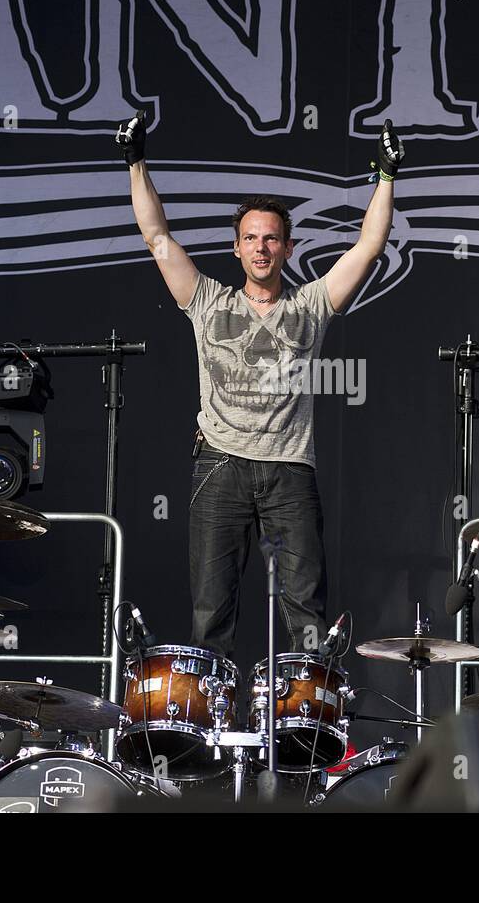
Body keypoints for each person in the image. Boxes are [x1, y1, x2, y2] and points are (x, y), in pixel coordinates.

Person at [115, 111, 404, 659]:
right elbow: (156, 236)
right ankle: (215, 732)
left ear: (288, 249)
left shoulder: (310, 306)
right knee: (211, 612)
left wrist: (386, 176)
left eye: (272, 239)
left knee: (305, 610)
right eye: (251, 238)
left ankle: (306, 730)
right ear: (237, 248)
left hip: (290, 468)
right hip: (219, 465)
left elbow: (367, 247)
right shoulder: (208, 302)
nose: (261, 248)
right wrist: (135, 163)